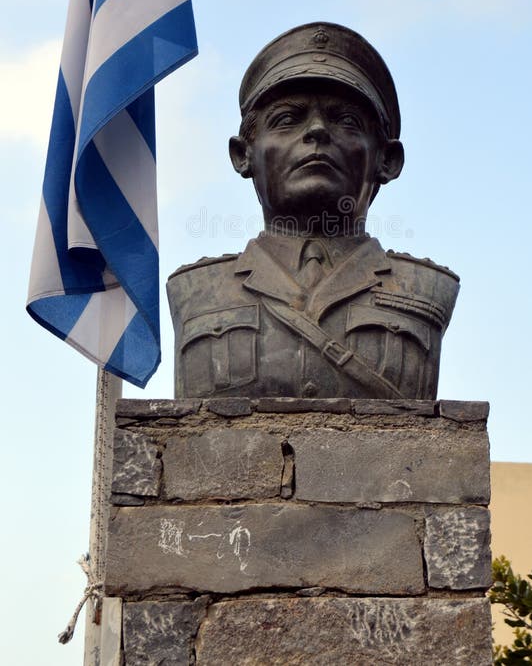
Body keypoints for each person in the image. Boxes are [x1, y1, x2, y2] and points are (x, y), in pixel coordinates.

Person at [167, 22, 459, 399]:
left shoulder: (428, 291)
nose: (318, 130)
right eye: (287, 119)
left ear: (387, 160)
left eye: (347, 120)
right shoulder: (195, 291)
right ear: (243, 156)